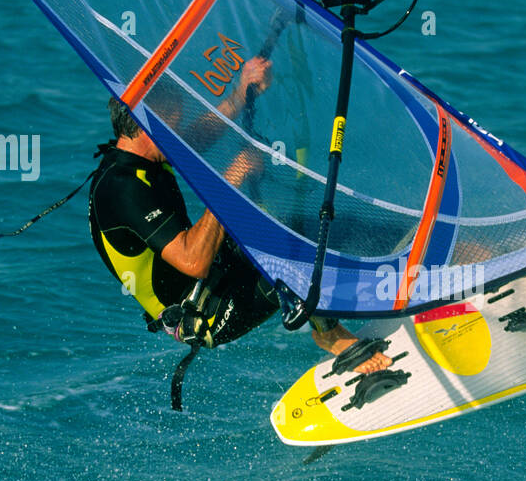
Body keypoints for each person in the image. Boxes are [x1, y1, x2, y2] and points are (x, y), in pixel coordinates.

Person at [87, 58, 390, 374]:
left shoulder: (141, 152)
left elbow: (195, 139)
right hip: (206, 310)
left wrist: (238, 95)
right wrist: (232, 178)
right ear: (149, 123)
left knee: (298, 222)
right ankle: (330, 335)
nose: (178, 134)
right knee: (290, 253)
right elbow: (194, 261)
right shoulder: (123, 190)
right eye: (173, 125)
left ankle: (398, 262)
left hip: (217, 269)